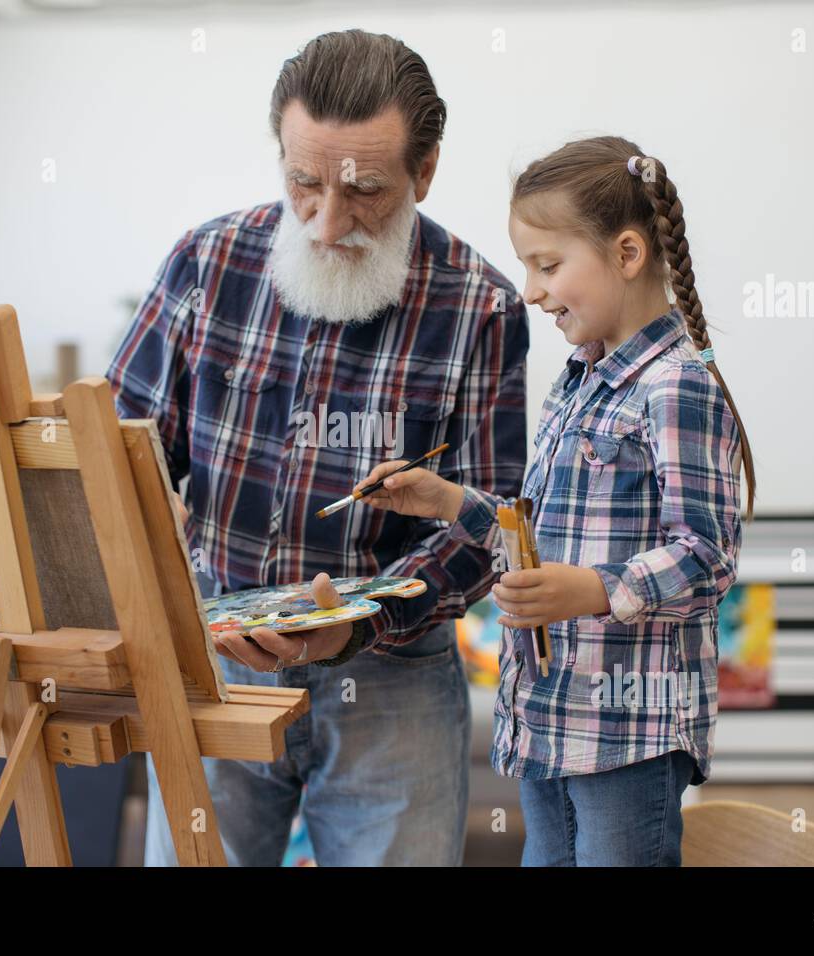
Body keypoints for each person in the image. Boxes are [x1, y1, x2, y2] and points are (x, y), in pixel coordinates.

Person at [107, 29, 529, 865]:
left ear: (425, 172)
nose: (328, 220)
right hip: (214, 658)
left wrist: (358, 624)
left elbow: (491, 524)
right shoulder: (206, 263)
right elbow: (119, 461)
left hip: (393, 676)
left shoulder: (481, 307)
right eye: (304, 181)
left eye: (364, 189)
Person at [354, 135, 756, 866]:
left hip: (627, 732)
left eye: (547, 266)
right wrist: (448, 500)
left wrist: (594, 590)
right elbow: (536, 535)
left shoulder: (676, 387)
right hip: (548, 717)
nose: (532, 291)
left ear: (627, 255)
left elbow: (707, 558)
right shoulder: (578, 379)